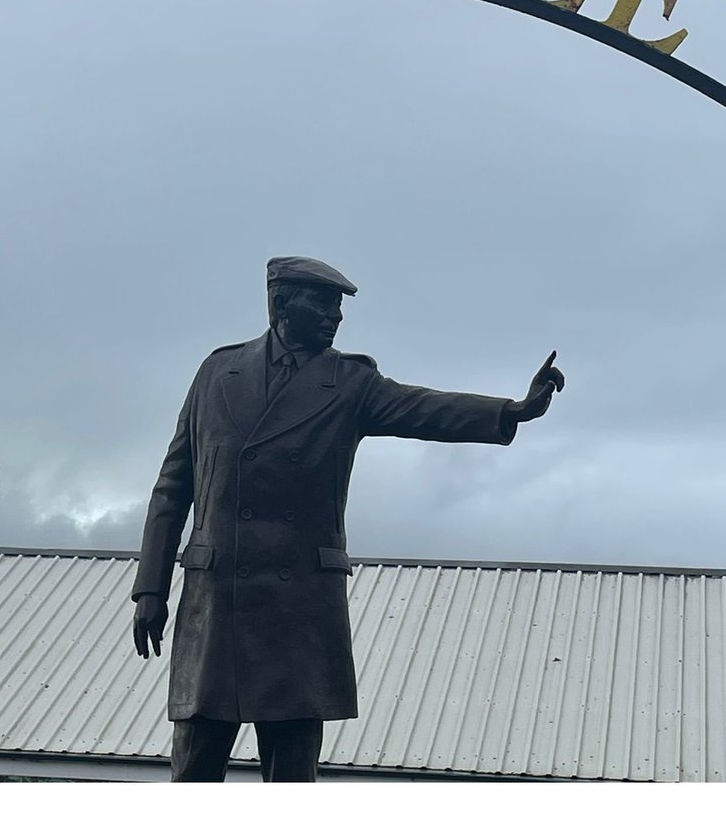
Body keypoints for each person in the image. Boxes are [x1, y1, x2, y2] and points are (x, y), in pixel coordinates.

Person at [132, 255, 564, 782]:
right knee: (194, 772)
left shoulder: (349, 382)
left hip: (296, 608)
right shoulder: (217, 373)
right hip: (216, 601)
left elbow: (423, 408)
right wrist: (150, 590)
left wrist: (512, 410)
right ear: (281, 302)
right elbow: (172, 488)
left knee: (291, 778)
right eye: (323, 304)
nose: (336, 316)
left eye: (338, 307)